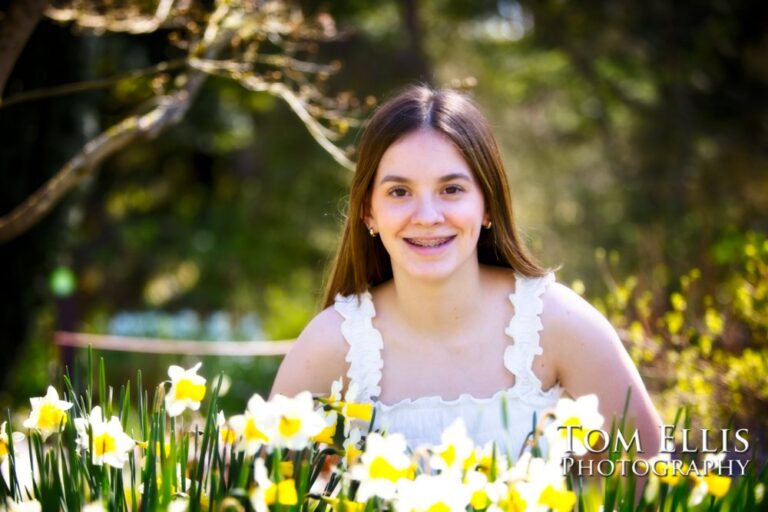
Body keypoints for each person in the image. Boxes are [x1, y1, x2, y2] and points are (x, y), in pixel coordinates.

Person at [270, 85, 662, 457]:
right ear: (368, 212)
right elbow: (263, 478)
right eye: (399, 192)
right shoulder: (332, 343)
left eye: (451, 189)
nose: (427, 216)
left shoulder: (555, 323)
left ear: (488, 205)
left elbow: (648, 465)